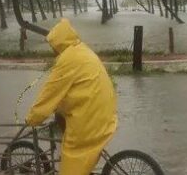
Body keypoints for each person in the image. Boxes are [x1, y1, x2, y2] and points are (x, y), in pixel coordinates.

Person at [26, 18, 118, 175]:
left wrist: (32, 118)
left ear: (59, 43)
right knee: (62, 117)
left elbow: (49, 94)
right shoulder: (82, 49)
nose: (53, 50)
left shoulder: (67, 59)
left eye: (53, 46)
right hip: (105, 113)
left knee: (72, 159)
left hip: (90, 120)